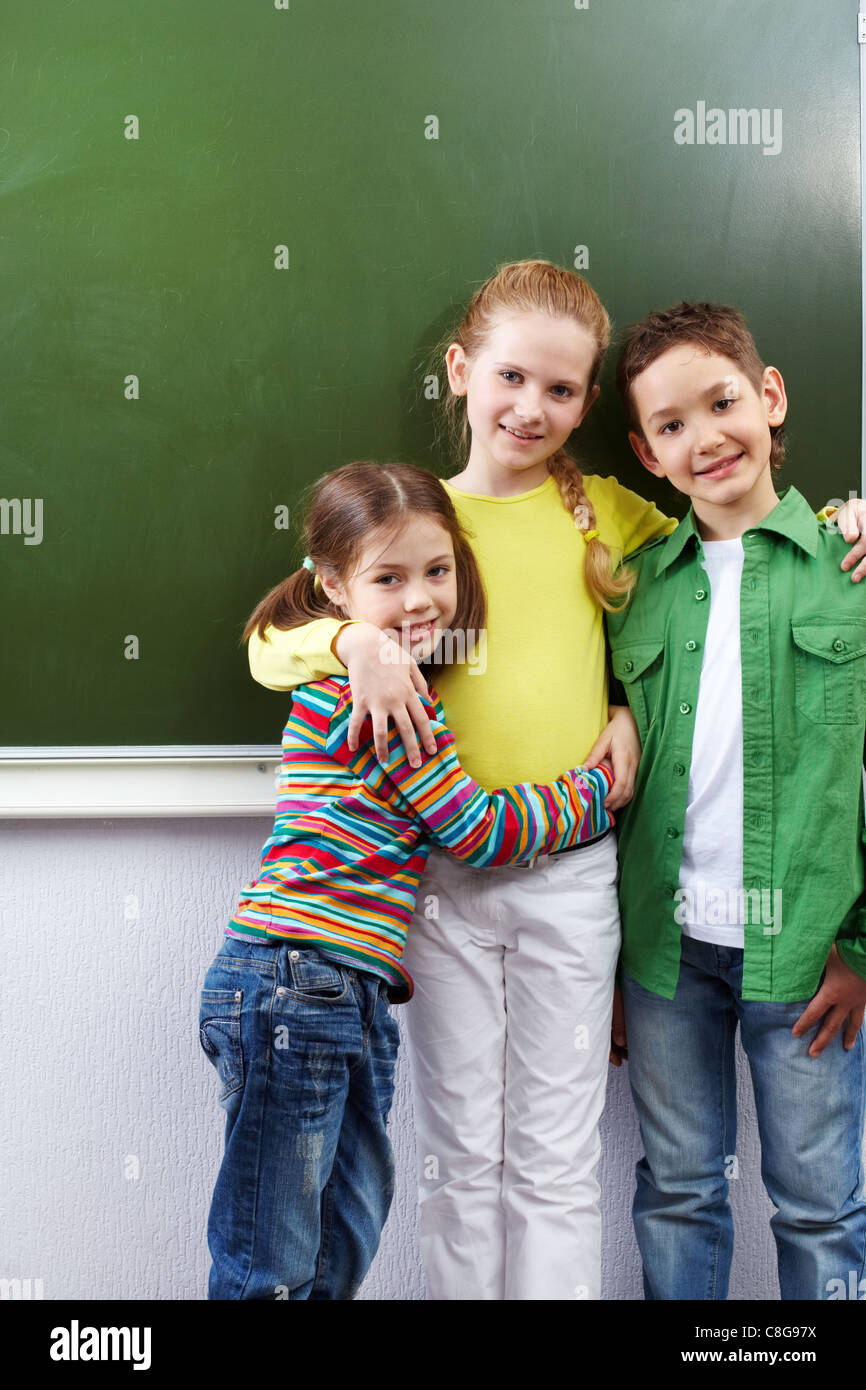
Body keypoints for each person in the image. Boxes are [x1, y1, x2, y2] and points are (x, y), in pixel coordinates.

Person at [246, 260, 866, 1301]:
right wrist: (354, 638)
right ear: (459, 372)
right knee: (461, 1154)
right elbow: (269, 645)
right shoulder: (413, 524)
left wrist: (845, 515)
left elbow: (730, 566)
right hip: (440, 881)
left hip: (576, 879)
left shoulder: (613, 516)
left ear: (587, 407)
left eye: (562, 390)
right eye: (510, 379)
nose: (530, 409)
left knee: (556, 1158)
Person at [198, 460, 616, 1300]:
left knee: (344, 1226)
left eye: (437, 571)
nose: (421, 598)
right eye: (389, 579)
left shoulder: (395, 681)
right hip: (296, 980)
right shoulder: (386, 701)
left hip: (343, 988)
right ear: (334, 588)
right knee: (274, 1254)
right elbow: (482, 832)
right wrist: (602, 787)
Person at [607, 300, 866, 1300]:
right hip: (664, 956)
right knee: (675, 1189)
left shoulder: (847, 574)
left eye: (720, 403)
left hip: (805, 957)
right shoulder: (633, 588)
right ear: (644, 453)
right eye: (670, 425)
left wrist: (859, 948)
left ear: (768, 397)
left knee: (816, 1202)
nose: (703, 437)